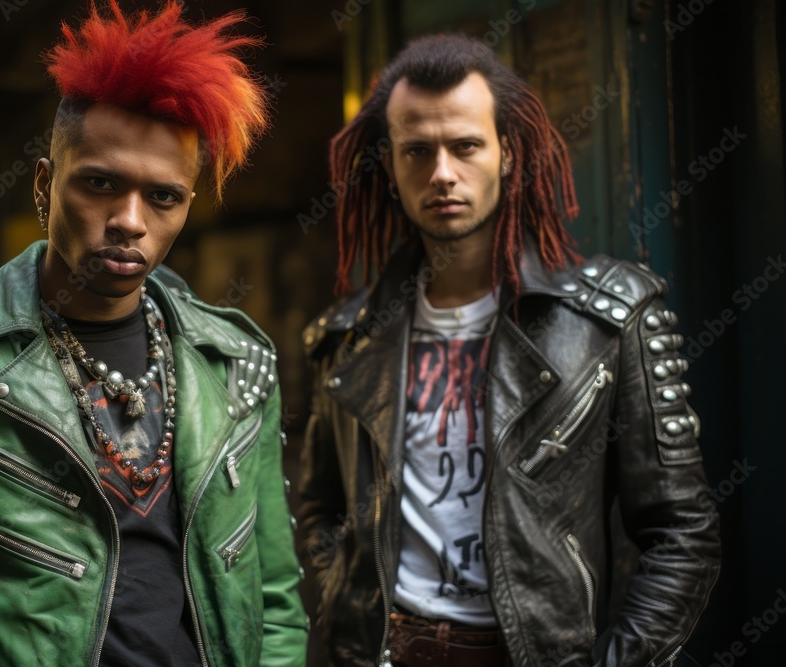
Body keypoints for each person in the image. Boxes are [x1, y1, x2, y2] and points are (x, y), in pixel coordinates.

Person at [0, 3, 307, 665]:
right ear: (44, 186)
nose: (129, 219)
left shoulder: (237, 363)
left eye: (163, 196)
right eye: (99, 183)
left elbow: (273, 600)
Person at [298, 33, 719, 667]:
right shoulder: (348, 336)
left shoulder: (608, 320)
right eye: (417, 151)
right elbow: (319, 511)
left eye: (465, 145)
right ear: (388, 168)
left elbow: (681, 532)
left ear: (509, 154)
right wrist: (343, 600)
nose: (442, 172)